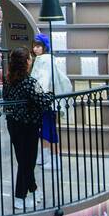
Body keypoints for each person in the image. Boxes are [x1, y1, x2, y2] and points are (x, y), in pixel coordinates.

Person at [2, 47, 51, 211]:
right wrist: (49, 95)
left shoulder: (7, 81)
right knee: (27, 162)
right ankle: (24, 194)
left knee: (23, 161)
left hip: (13, 125)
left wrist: (11, 117)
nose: (31, 61)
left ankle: (28, 193)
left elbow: (6, 104)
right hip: (29, 126)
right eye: (29, 59)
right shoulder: (31, 82)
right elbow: (43, 101)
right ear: (26, 63)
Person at [31, 34, 72, 169]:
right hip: (46, 101)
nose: (35, 49)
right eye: (34, 46)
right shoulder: (44, 59)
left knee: (49, 129)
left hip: (47, 102)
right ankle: (45, 155)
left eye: (38, 46)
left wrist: (37, 95)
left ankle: (55, 159)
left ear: (44, 47)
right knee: (44, 129)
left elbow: (43, 80)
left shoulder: (45, 60)